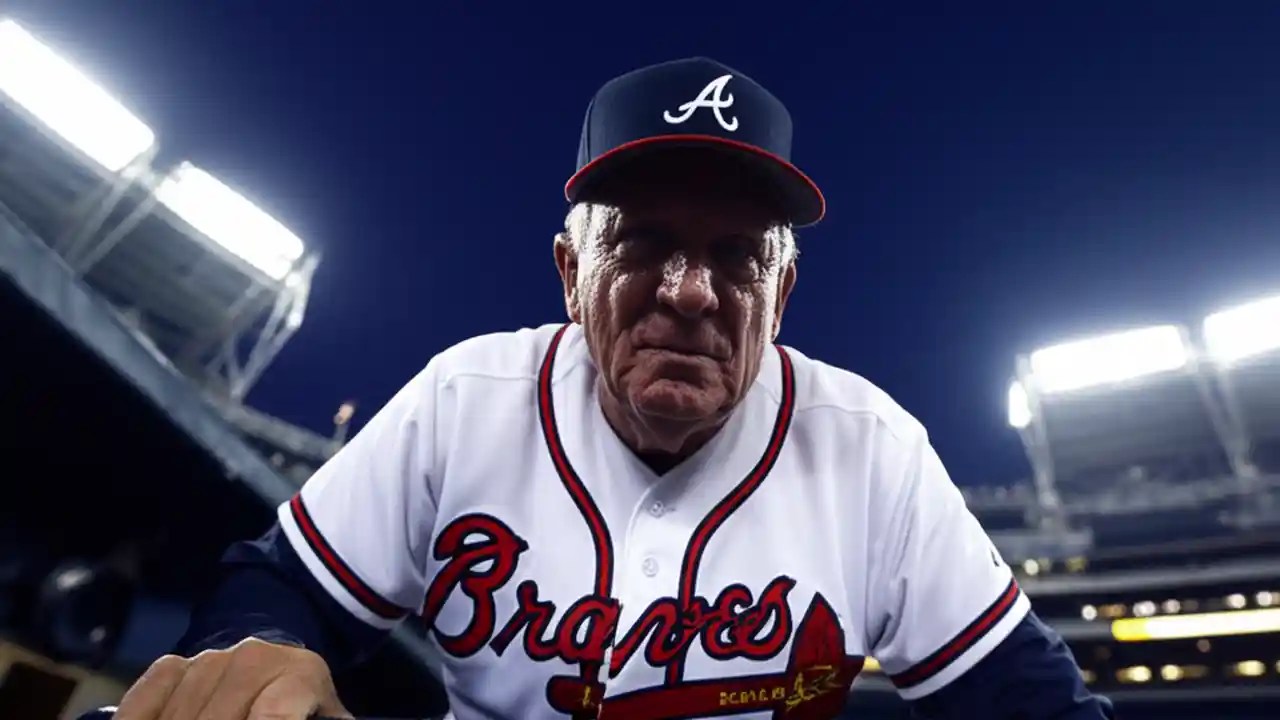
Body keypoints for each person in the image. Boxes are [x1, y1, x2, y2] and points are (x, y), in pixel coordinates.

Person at [113, 57, 1112, 720]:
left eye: (735, 257)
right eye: (641, 243)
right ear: (567, 272)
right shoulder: (470, 398)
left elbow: (1035, 704)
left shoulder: (869, 453)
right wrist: (264, 644)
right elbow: (281, 582)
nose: (688, 292)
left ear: (783, 293)